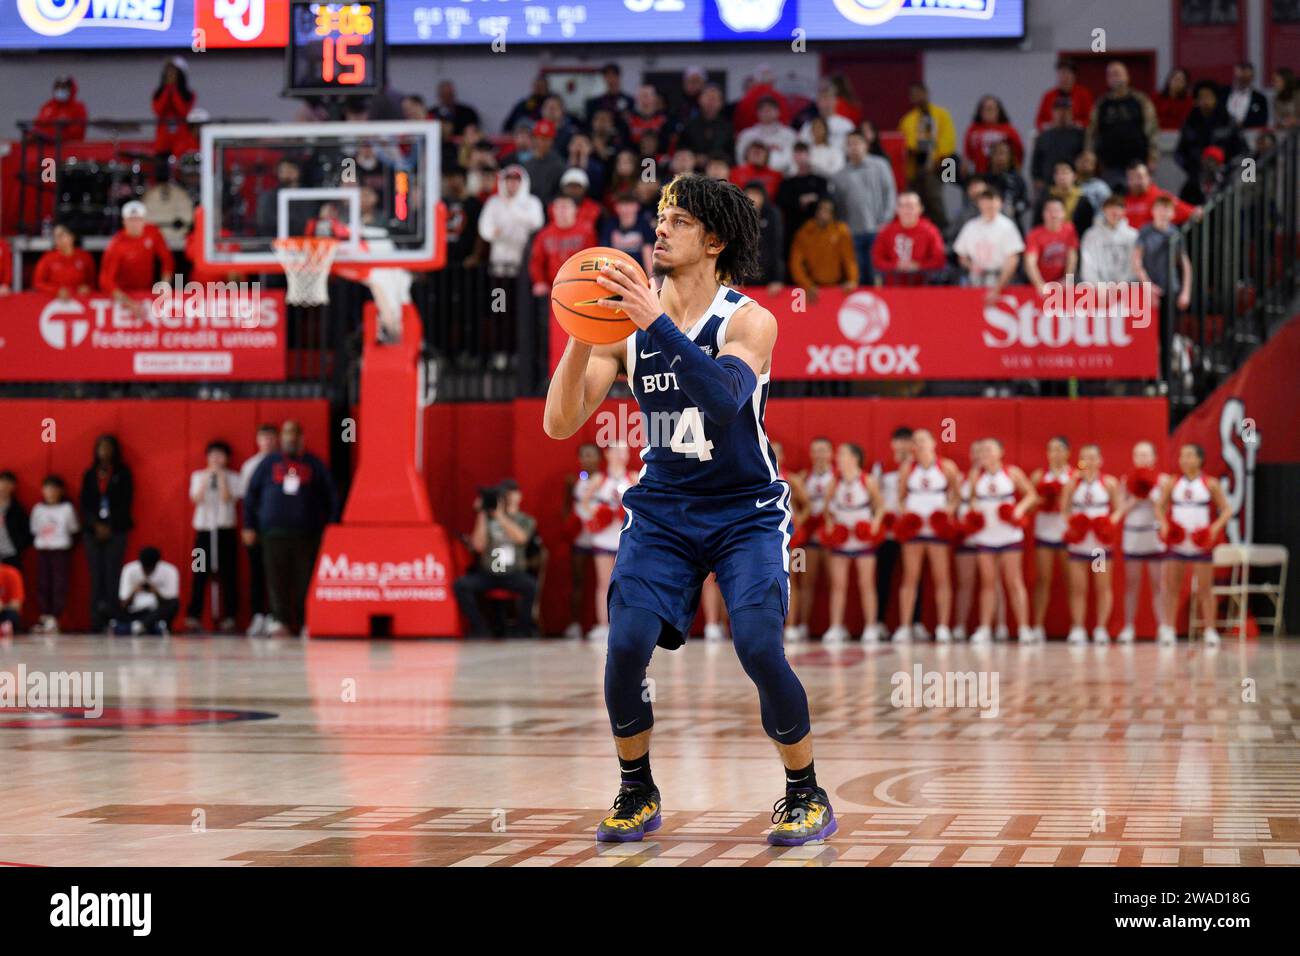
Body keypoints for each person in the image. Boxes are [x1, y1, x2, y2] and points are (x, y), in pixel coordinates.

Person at [544, 173, 836, 845]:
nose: (660, 228)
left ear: (714, 239)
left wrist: (657, 326)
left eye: (676, 220)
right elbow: (560, 424)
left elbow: (724, 398)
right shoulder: (625, 330)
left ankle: (804, 789)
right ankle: (636, 788)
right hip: (665, 512)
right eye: (661, 217)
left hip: (746, 512)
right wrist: (583, 328)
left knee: (760, 646)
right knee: (623, 650)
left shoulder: (748, 320)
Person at [243, 421, 338, 637]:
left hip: (307, 533)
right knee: (276, 579)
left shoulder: (314, 463)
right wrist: (249, 525)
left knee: (305, 579)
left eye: (294, 436)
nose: (290, 440)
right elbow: (251, 496)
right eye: (286, 436)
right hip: (272, 532)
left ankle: (308, 620)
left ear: (302, 438)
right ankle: (280, 620)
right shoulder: (269, 463)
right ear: (281, 439)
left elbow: (331, 495)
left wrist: (332, 527)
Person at [1157, 444, 1232, 646]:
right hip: (1177, 542)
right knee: (1172, 587)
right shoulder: (1173, 483)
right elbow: (1160, 507)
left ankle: (1209, 630)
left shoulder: (1210, 483)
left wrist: (1214, 528)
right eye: (1182, 456)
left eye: (1189, 456)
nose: (1184, 460)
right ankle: (1169, 629)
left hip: (1200, 543)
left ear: (1199, 459)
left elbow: (1226, 510)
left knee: (1205, 588)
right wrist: (1164, 525)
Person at [963, 439, 1038, 644]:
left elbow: (1032, 495)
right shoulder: (975, 475)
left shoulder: (1012, 473)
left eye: (989, 449)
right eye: (983, 450)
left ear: (1000, 452)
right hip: (986, 534)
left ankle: (1024, 628)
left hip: (1009, 533)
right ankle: (985, 628)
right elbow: (970, 499)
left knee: (1013, 581)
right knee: (988, 582)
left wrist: (1020, 509)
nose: (985, 453)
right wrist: (973, 509)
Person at [893, 429, 960, 644]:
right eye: (916, 441)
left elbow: (956, 496)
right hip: (914, 530)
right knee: (910, 578)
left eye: (923, 440)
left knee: (942, 577)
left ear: (933, 443)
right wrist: (906, 515)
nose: (919, 444)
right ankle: (905, 627)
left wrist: (947, 512)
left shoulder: (947, 466)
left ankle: (942, 627)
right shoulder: (907, 468)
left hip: (937, 530)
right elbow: (901, 497)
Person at [453, 480, 539, 637]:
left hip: (513, 573)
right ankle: (480, 629)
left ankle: (521, 630)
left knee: (531, 586)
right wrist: (482, 514)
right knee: (461, 585)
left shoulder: (525, 520)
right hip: (488, 573)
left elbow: (521, 538)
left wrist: (501, 517)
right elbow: (478, 545)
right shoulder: (487, 519)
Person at [820, 443, 884, 644]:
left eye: (842, 454)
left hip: (862, 538)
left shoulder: (867, 480)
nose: (838, 458)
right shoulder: (834, 481)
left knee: (866, 583)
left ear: (854, 458)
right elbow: (826, 507)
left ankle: (871, 627)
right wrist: (830, 524)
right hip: (842, 538)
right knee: (838, 584)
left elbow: (880, 506)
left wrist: (875, 523)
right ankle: (836, 627)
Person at [1060, 444, 1120, 645]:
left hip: (1098, 547)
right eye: (1085, 458)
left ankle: (1101, 628)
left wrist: (1106, 525)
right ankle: (1077, 628)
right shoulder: (1072, 484)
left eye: (1093, 457)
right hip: (1078, 544)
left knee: (1102, 586)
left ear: (1100, 460)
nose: (1089, 462)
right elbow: (1064, 509)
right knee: (1078, 587)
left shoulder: (1108, 483)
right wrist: (1074, 526)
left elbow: (1118, 510)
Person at [1115, 441, 1168, 645]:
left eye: (1146, 455)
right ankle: (1128, 627)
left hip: (1153, 534)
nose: (1142, 458)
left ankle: (1162, 627)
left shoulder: (1162, 480)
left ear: (1154, 457)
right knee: (1132, 583)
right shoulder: (1126, 480)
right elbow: (1120, 509)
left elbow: (1164, 508)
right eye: (1138, 455)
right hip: (1133, 535)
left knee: (1158, 583)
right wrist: (1136, 497)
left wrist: (1153, 494)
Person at [185, 441, 241, 634]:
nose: (216, 459)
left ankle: (229, 617)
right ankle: (193, 617)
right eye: (212, 455)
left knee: (228, 573)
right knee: (198, 571)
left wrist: (222, 477)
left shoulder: (234, 477)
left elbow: (227, 498)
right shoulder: (198, 476)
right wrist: (207, 479)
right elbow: (196, 498)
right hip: (204, 531)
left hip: (225, 530)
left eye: (220, 456)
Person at [80, 435, 133, 632]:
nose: (104, 451)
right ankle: (96, 621)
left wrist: (110, 525)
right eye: (100, 447)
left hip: (116, 530)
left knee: (113, 575)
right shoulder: (90, 474)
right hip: (92, 531)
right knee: (96, 576)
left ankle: (113, 619)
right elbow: (84, 504)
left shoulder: (123, 473)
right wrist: (95, 525)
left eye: (108, 447)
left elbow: (126, 502)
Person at [829, 130, 896, 286]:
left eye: (857, 143)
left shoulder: (880, 166)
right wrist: (843, 228)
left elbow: (890, 193)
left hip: (878, 230)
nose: (854, 147)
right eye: (849, 144)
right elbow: (837, 205)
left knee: (878, 277)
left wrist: (886, 222)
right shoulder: (839, 175)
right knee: (857, 277)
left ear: (866, 145)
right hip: (852, 233)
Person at [582, 447, 636, 642]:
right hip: (604, 537)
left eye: (625, 451)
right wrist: (598, 514)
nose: (622, 455)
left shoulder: (633, 477)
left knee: (627, 583)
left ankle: (626, 625)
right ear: (608, 454)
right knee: (604, 583)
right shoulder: (599, 479)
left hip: (626, 537)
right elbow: (584, 503)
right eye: (618, 451)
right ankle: (604, 625)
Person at [790, 436, 835, 643]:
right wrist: (802, 520)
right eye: (816, 450)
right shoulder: (802, 477)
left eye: (823, 450)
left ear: (831, 453)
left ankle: (836, 626)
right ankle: (803, 625)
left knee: (835, 580)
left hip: (833, 534)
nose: (819, 454)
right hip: (809, 537)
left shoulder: (838, 476)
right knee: (806, 581)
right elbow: (801, 505)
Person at [1086, 61, 1159, 187]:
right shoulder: (1101, 104)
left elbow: (1152, 130)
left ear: (1127, 76)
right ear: (1107, 79)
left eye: (1118, 73)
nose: (1115, 77)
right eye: (1111, 75)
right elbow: (1092, 134)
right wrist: (1090, 158)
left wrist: (1153, 156)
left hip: (1138, 162)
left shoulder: (1141, 100)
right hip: (1109, 165)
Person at [1029, 436, 1073, 641]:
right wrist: (1043, 500)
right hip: (1045, 531)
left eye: (1059, 449)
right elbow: (1030, 502)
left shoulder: (1074, 476)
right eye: (1051, 449)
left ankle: (1077, 627)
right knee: (1043, 579)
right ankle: (1037, 626)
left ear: (1067, 453)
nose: (1054, 454)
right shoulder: (1040, 476)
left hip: (1068, 533)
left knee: (1071, 580)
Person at [1175, 82, 1246, 205]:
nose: (1205, 100)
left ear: (1216, 99)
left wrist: (1227, 168)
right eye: (1201, 97)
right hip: (1196, 181)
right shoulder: (1189, 123)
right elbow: (1179, 153)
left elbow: (1243, 151)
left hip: (1223, 179)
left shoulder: (1228, 121)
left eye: (1208, 96)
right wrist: (1192, 168)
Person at [898, 82, 956, 230]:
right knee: (918, 199)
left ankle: (944, 230)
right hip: (916, 167)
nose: (916, 97)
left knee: (936, 198)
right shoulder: (908, 120)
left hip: (942, 165)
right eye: (913, 95)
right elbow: (904, 142)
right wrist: (912, 148)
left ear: (926, 93)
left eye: (919, 93)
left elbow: (948, 139)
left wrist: (938, 159)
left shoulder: (941, 114)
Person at [563, 443, 604, 640]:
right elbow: (566, 508)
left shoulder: (605, 480)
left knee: (604, 583)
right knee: (577, 581)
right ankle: (574, 623)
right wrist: (570, 526)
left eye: (591, 455)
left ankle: (603, 623)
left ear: (599, 458)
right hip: (581, 537)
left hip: (602, 537)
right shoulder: (573, 481)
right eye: (584, 456)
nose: (587, 459)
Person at [239, 424, 277, 637]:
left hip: (275, 527)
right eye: (264, 438)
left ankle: (275, 615)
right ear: (258, 440)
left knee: (276, 573)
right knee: (256, 573)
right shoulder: (250, 466)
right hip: (257, 526)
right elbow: (247, 500)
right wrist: (248, 526)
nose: (268, 442)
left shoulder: (282, 463)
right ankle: (257, 615)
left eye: (272, 438)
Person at [952, 187, 1024, 299]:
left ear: (1000, 203)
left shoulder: (1007, 227)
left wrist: (997, 289)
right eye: (985, 202)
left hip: (1002, 280)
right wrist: (971, 266)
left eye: (992, 202)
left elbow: (1012, 260)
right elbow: (961, 255)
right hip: (975, 280)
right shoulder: (971, 226)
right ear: (979, 204)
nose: (989, 206)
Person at [477, 165, 545, 278]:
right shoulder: (494, 202)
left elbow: (537, 222)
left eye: (516, 180)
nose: (512, 183)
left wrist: (513, 207)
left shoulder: (532, 202)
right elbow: (484, 225)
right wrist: (491, 232)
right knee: (500, 292)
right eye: (509, 179)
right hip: (499, 257)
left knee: (520, 292)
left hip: (523, 256)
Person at [99, 201, 175, 301]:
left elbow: (167, 259)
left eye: (138, 219)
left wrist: (165, 284)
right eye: (131, 220)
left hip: (146, 290)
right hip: (123, 292)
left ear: (144, 220)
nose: (134, 224)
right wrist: (126, 300)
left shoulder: (152, 233)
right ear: (124, 221)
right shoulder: (116, 244)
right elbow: (105, 279)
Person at [1134, 195, 1193, 320]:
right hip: (1148, 288)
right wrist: (1147, 285)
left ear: (1173, 214)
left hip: (1170, 288)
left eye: (1167, 209)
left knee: (1168, 331)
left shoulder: (1175, 234)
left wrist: (1186, 292)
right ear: (1153, 211)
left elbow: (1185, 265)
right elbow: (1136, 260)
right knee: (1147, 331)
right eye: (1160, 209)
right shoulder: (1145, 231)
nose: (1163, 213)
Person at [529, 195, 598, 298]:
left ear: (575, 210)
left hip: (580, 286)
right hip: (554, 289)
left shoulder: (586, 232)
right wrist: (539, 281)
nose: (562, 211)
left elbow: (593, 258)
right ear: (552, 210)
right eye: (559, 207)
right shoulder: (544, 234)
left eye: (566, 207)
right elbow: (536, 260)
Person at [788, 197, 856, 298]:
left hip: (837, 286)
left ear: (833, 214)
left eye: (827, 210)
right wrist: (807, 285)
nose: (823, 213)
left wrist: (852, 280)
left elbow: (849, 259)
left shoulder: (841, 231)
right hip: (813, 287)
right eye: (820, 209)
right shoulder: (805, 232)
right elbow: (796, 263)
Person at [112, 546, 180, 636]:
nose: (147, 572)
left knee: (174, 604)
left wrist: (156, 592)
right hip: (134, 611)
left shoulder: (170, 571)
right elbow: (123, 603)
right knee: (106, 605)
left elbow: (171, 600)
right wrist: (134, 592)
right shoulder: (130, 569)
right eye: (144, 568)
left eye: (150, 569)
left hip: (156, 612)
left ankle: (139, 625)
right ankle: (146, 626)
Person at [776, 143, 829, 254]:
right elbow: (781, 202)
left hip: (818, 229)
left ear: (809, 155)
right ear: (793, 157)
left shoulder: (820, 180)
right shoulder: (787, 183)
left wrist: (815, 198)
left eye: (803, 153)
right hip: (794, 229)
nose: (800, 157)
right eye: (797, 153)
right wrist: (800, 200)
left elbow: (827, 200)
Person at [1030, 99, 1086, 196]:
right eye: (1059, 110)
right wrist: (1037, 179)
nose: (1062, 114)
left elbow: (1084, 158)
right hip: (1048, 186)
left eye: (1066, 110)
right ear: (1053, 113)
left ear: (1071, 113)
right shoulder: (1044, 136)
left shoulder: (1080, 135)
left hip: (1073, 187)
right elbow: (1036, 161)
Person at [1023, 198, 1079, 294]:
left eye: (1057, 211)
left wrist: (1067, 279)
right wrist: (1039, 284)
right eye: (1049, 211)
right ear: (1043, 213)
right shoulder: (1034, 234)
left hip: (1063, 280)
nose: (1053, 215)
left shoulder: (1070, 230)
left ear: (1063, 213)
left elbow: (1072, 256)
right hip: (1041, 281)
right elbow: (1030, 263)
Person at [1080, 195, 1139, 283]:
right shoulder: (1091, 235)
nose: (1114, 212)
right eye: (1110, 208)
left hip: (1126, 288)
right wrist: (1099, 286)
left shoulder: (1133, 235)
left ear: (1124, 211)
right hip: (1098, 290)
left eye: (1118, 208)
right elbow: (1087, 264)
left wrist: (1122, 283)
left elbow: (1135, 265)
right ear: (1103, 211)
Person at [964, 95, 1024, 177]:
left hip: (1004, 175)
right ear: (980, 112)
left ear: (998, 111)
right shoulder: (973, 130)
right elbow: (967, 153)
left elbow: (1019, 151)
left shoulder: (1009, 130)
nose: (988, 112)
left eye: (991, 108)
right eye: (985, 109)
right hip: (980, 174)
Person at [1032, 160, 1094, 238]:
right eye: (1057, 173)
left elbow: (1087, 229)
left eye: (1065, 173)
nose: (1061, 177)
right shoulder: (1045, 198)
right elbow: (1037, 224)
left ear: (1075, 176)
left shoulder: (1084, 202)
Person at [735, 96, 797, 173]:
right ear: (757, 113)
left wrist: (770, 171)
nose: (767, 112)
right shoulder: (746, 135)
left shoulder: (789, 134)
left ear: (778, 112)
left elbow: (792, 159)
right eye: (763, 110)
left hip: (782, 176)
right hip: (752, 177)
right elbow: (741, 160)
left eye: (770, 109)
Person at [152, 57, 197, 160]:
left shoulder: (189, 94)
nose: (170, 75)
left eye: (174, 72)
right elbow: (158, 110)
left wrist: (174, 90)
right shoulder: (158, 93)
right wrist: (167, 90)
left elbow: (183, 111)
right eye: (168, 72)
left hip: (181, 143)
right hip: (163, 144)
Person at [33, 224, 96, 297]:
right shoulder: (47, 258)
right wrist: (56, 291)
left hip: (80, 302)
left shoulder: (85, 257)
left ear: (72, 237)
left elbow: (91, 282)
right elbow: (38, 283)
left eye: (61, 235)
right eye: (55, 236)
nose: (57, 239)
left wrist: (87, 288)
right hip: (54, 301)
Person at [744, 183, 785, 294]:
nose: (752, 198)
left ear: (763, 196)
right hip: (743, 278)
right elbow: (733, 249)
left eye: (756, 194)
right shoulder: (737, 215)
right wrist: (733, 278)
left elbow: (777, 247)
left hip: (767, 278)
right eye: (750, 193)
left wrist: (777, 279)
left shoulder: (772, 214)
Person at [1034, 58, 1095, 131]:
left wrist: (1076, 124)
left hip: (1077, 135)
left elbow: (1091, 120)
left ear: (1074, 76)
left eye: (1067, 73)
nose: (1064, 77)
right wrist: (1050, 125)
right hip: (1053, 134)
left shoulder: (1084, 94)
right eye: (1061, 73)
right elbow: (1039, 121)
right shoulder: (1048, 96)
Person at [678, 84, 734, 160]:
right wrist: (695, 158)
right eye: (708, 98)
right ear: (700, 99)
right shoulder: (689, 125)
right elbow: (682, 151)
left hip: (719, 168)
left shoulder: (727, 127)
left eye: (714, 99)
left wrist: (714, 159)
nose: (711, 102)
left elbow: (731, 154)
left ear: (721, 103)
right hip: (693, 169)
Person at [34, 75, 88, 143]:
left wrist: (60, 132)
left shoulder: (78, 108)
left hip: (69, 148)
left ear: (71, 89)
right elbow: (38, 125)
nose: (60, 90)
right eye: (58, 87)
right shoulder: (47, 106)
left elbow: (78, 131)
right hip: (45, 148)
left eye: (64, 87)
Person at [729, 141, 783, 206]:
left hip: (768, 210)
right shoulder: (735, 172)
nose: (757, 156)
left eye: (760, 153)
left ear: (767, 156)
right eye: (754, 153)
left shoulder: (776, 175)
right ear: (747, 154)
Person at [0, 471, 31, 571]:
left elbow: (27, 530)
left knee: (12, 584)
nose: (5, 486)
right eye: (2, 482)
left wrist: (19, 545)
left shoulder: (17, 509)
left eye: (8, 483)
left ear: (13, 487)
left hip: (11, 553)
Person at [1224, 62, 1269, 129]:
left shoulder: (1260, 99)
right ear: (1235, 76)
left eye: (1246, 78)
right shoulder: (1224, 93)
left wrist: (1243, 124)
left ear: (1252, 78)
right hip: (1224, 134)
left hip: (1249, 135)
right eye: (1241, 78)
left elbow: (1262, 122)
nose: (1243, 81)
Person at [0, 562, 22, 636]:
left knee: (11, 614)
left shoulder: (10, 573)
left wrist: (2, 606)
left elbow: (16, 604)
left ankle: (5, 627)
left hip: (4, 613)